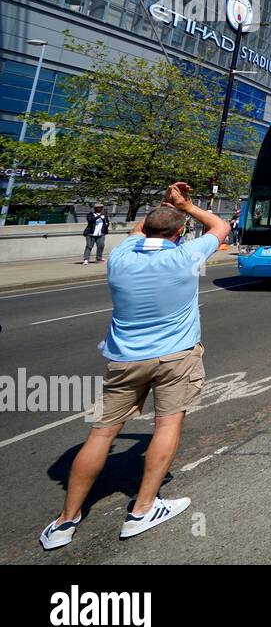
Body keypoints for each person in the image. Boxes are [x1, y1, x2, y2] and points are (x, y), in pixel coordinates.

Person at [39, 182, 230, 550]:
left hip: (125, 359)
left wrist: (164, 207)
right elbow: (220, 228)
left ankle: (65, 521)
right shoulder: (184, 256)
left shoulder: (121, 257)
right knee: (167, 424)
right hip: (177, 356)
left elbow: (140, 230)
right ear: (178, 234)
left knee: (100, 435)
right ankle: (142, 510)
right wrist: (185, 205)